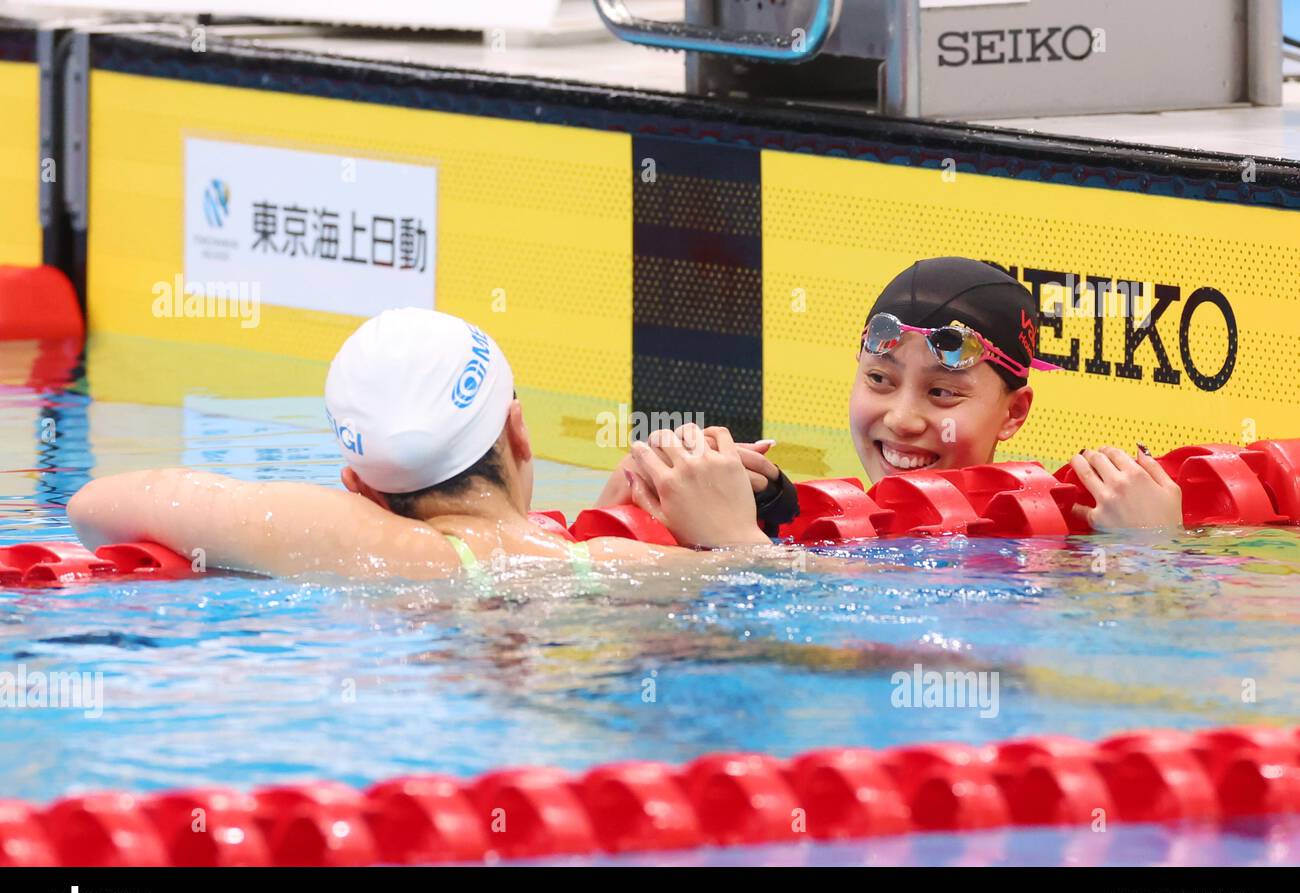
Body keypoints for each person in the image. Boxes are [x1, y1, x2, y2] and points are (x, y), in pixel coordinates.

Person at [67, 309, 772, 580]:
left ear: (360, 487)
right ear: (518, 430)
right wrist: (738, 538)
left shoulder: (345, 542)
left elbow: (96, 504)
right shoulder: (608, 566)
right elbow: (819, 601)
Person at [604, 257, 1184, 532]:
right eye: (879, 380)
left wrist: (1156, 550)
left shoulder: (1054, 539)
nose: (902, 419)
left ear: (1014, 413)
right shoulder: (812, 527)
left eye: (942, 392)